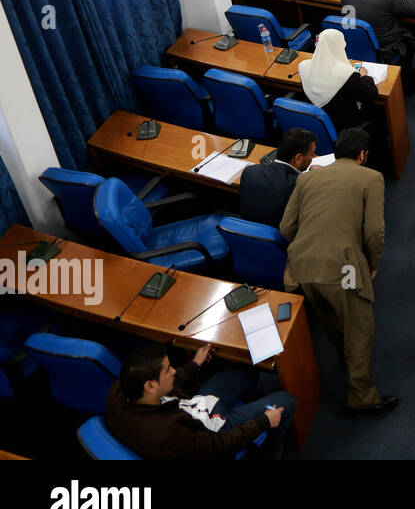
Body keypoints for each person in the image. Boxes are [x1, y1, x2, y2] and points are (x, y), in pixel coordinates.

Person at [280, 127, 396, 416]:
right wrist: (371, 264)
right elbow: (374, 232)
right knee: (359, 329)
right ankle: (362, 398)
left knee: (332, 322)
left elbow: (286, 229)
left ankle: (348, 364)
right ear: (362, 155)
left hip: (302, 267)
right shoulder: (371, 178)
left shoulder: (309, 178)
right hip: (343, 269)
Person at [105, 342, 293, 459]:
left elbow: (170, 384)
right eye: (168, 369)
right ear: (150, 386)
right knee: (286, 401)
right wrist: (263, 422)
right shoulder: (168, 434)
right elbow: (217, 445)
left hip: (193, 408)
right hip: (214, 432)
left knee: (248, 369)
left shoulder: (123, 388)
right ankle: (266, 454)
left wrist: (195, 364)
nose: (174, 371)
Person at [298, 30, 388, 171]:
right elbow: (371, 94)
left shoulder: (303, 66)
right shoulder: (346, 74)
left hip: (317, 122)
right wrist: (365, 76)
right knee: (379, 112)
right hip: (345, 123)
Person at [238, 127, 316, 227]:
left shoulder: (249, 172)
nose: (314, 156)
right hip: (279, 239)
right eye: (312, 153)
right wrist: (318, 175)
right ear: (298, 158)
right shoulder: (300, 186)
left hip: (244, 233)